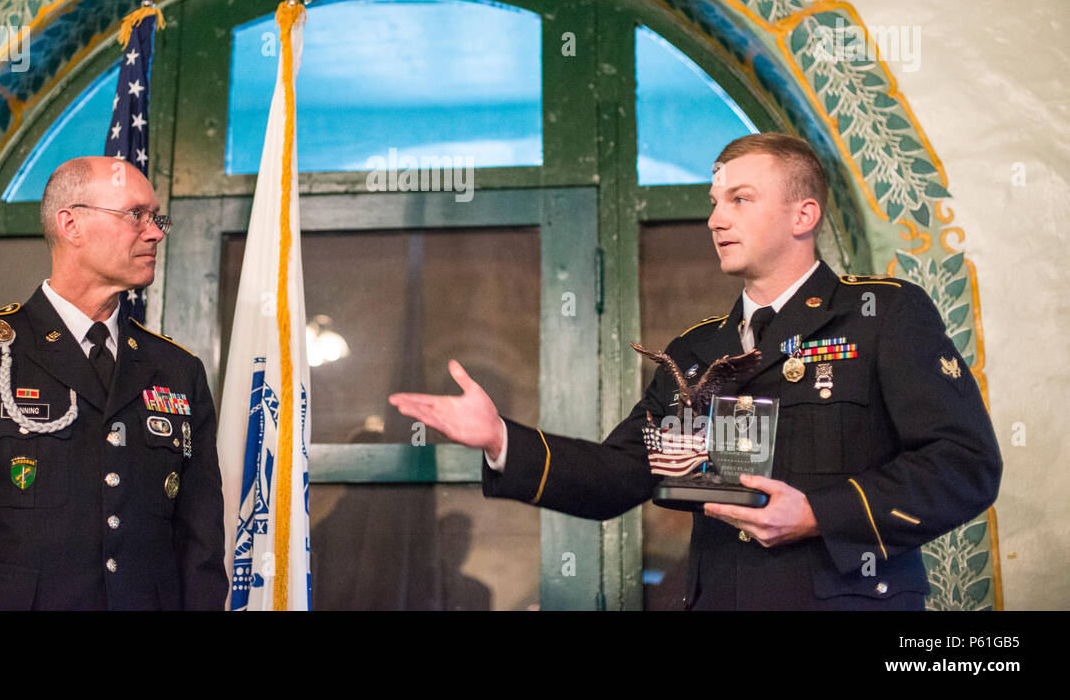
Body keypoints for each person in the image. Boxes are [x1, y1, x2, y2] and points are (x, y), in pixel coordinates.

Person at [390, 133, 1002, 609]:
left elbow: (963, 467)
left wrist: (819, 512)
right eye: (714, 202)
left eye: (740, 200)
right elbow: (618, 475)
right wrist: (502, 439)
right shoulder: (695, 350)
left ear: (803, 215)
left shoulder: (882, 315)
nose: (715, 219)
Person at [0, 156, 227, 610]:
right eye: (136, 215)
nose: (156, 231)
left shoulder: (177, 369)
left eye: (157, 217)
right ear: (71, 224)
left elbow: (200, 543)